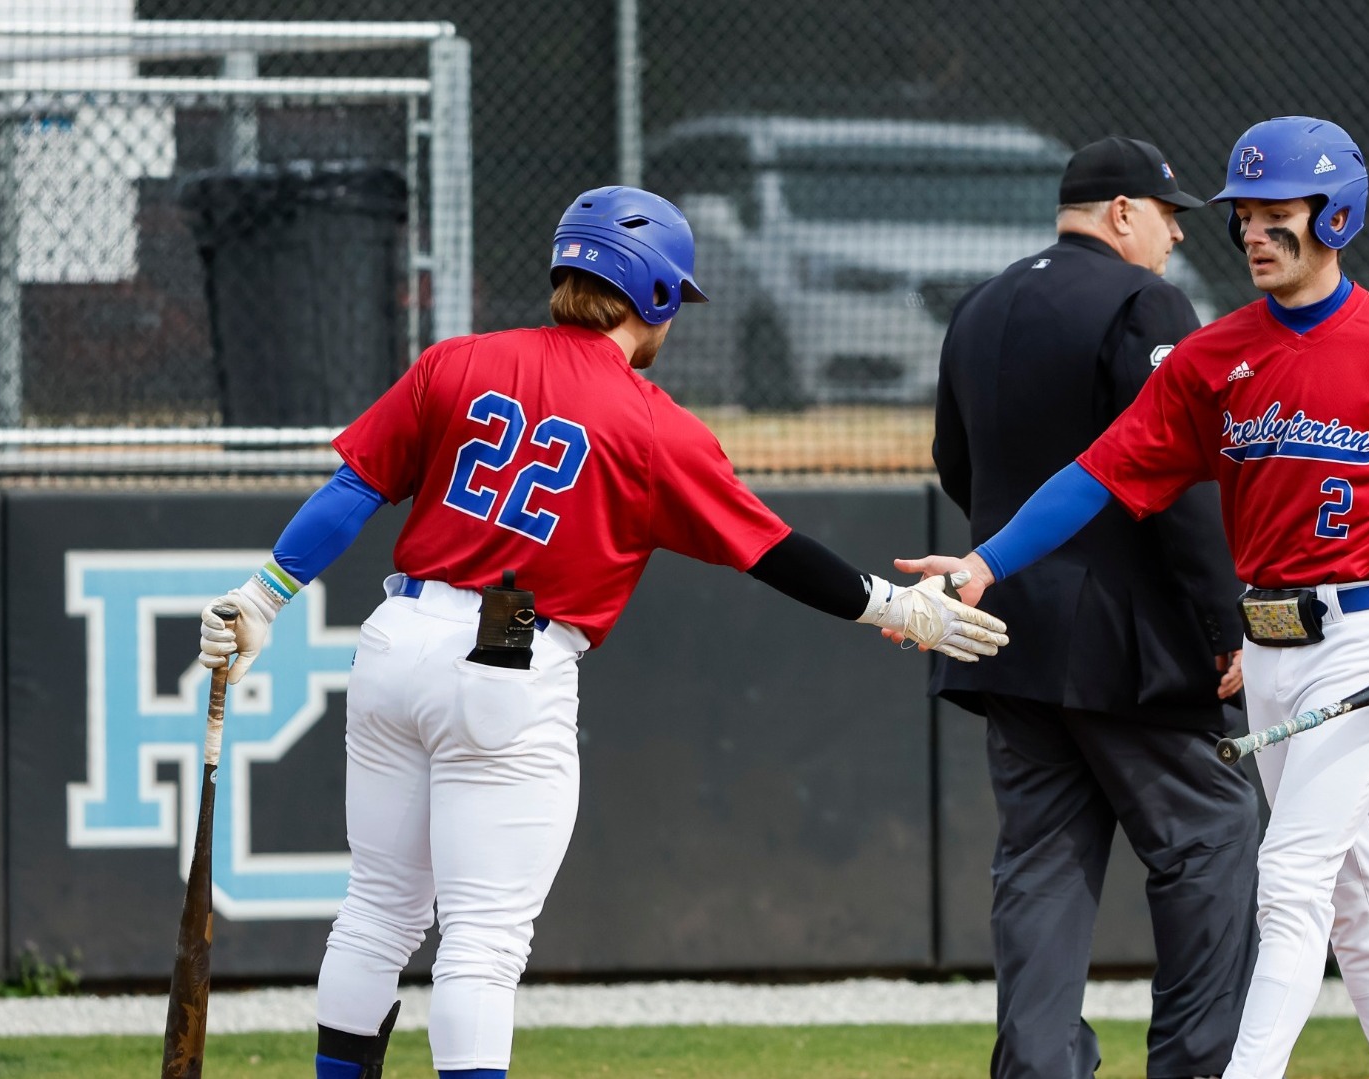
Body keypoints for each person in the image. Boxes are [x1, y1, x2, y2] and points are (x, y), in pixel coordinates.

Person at [194, 185, 1009, 1079]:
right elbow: (774, 551)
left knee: (376, 911)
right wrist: (896, 607)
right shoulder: (654, 424)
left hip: (398, 635)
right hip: (509, 654)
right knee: (483, 941)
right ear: (652, 293)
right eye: (675, 296)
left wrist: (264, 595)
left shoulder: (458, 360)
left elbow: (353, 489)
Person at [897, 117, 1369, 1079]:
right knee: (1355, 900)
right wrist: (986, 562)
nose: (1251, 233)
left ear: (1337, 216)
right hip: (1270, 647)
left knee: (1288, 875)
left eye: (1278, 215)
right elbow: (1097, 474)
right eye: (1245, 215)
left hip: (1368, 637)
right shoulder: (1214, 354)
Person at [931, 135, 1257, 1079]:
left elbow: (957, 465)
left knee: (1041, 869)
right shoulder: (1142, 301)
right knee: (1212, 836)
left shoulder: (980, 304)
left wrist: (1018, 560)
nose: (1175, 236)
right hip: (1131, 643)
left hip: (1006, 635)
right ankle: (1194, 1067)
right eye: (1167, 215)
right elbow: (1178, 474)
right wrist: (1223, 622)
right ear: (1122, 212)